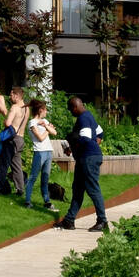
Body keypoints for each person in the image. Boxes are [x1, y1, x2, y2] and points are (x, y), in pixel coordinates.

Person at [55, 96, 108, 232]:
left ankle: (102, 221)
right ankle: (69, 220)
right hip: (86, 157)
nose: (71, 113)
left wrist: (72, 147)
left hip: (88, 158)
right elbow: (100, 133)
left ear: (75, 107)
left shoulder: (83, 118)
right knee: (78, 188)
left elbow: (84, 139)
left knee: (92, 189)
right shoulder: (89, 115)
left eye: (70, 110)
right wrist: (93, 145)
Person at [24, 99, 57, 210]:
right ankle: (27, 201)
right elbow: (41, 138)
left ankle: (47, 201)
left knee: (45, 178)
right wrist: (48, 129)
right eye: (45, 110)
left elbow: (55, 132)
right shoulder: (32, 123)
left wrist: (47, 127)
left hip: (48, 152)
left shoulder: (45, 121)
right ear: (40, 110)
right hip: (39, 152)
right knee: (33, 177)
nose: (46, 112)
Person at [0, 86, 29, 194]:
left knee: (4, 163)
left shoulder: (15, 107)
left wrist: (6, 118)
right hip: (21, 139)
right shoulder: (27, 108)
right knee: (17, 166)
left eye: (11, 95)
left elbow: (8, 123)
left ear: (16, 95)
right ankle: (20, 189)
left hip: (12, 140)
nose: (10, 97)